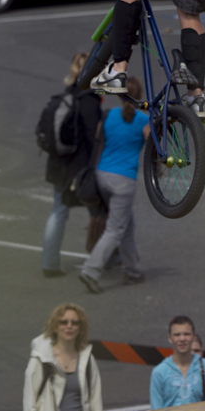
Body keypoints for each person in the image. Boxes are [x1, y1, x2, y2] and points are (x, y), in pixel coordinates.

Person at [77, 76, 150, 293]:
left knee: (126, 224)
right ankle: (91, 271)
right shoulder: (143, 120)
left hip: (102, 176)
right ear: (140, 97)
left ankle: (133, 270)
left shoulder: (109, 115)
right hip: (123, 181)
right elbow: (154, 149)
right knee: (115, 229)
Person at [41, 53, 104, 278]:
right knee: (97, 209)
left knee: (58, 212)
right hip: (80, 169)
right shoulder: (89, 100)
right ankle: (107, 256)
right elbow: (93, 138)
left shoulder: (65, 96)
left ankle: (49, 262)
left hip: (59, 166)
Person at [21, 304, 103, 411]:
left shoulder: (87, 359)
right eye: (63, 322)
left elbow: (95, 402)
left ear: (81, 328)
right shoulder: (41, 359)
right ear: (54, 327)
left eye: (75, 323)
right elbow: (29, 403)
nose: (69, 326)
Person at [150, 316, 205, 409]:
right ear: (169, 338)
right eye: (177, 335)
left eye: (187, 334)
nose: (182, 338)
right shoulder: (159, 372)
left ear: (194, 337)